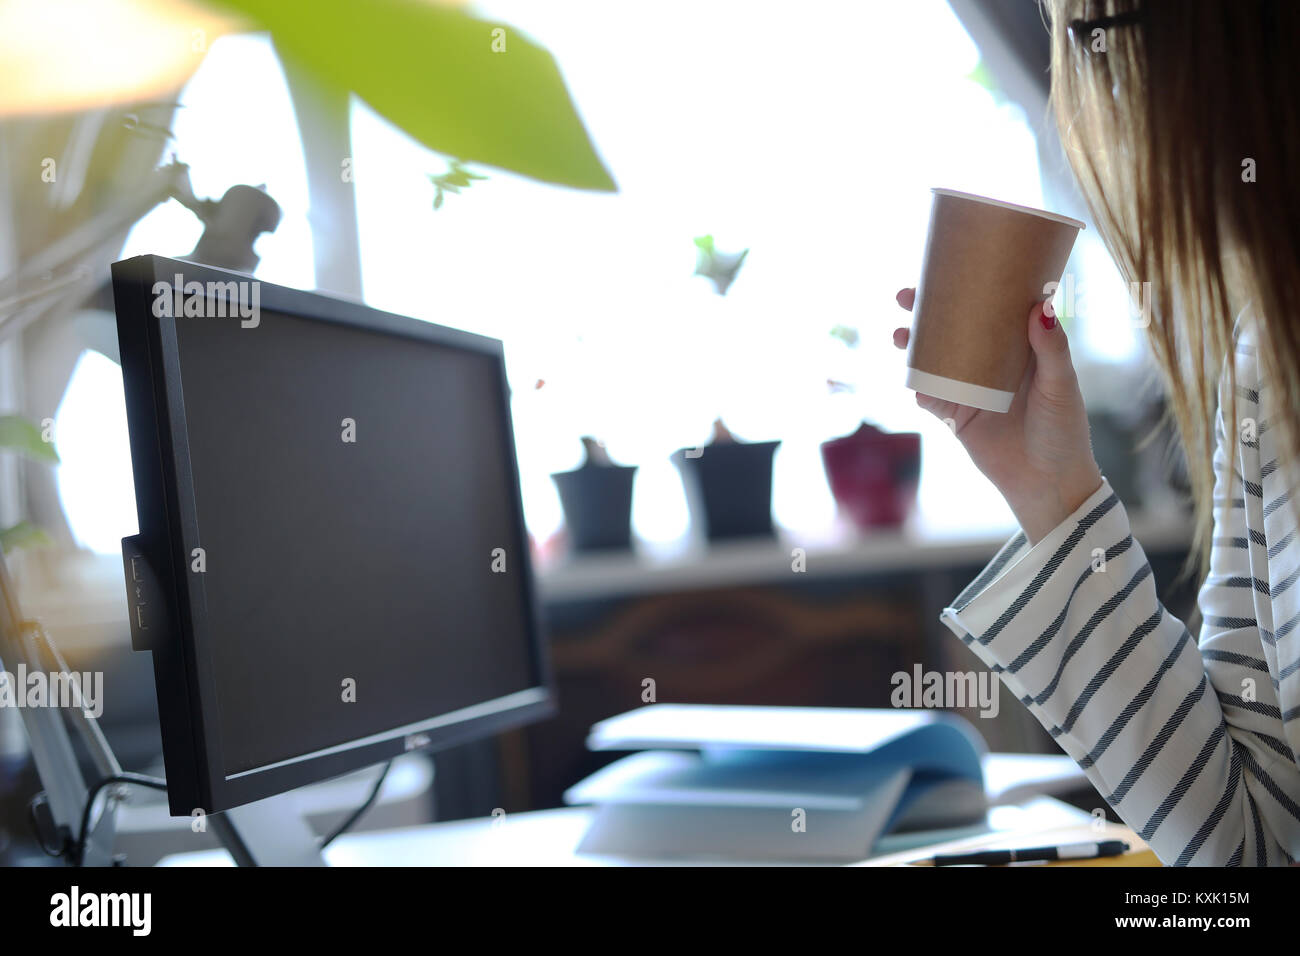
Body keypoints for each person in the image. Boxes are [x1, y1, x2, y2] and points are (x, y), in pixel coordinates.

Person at [894, 0, 1300, 865]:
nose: (1102, 111)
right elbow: (1249, 849)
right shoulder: (1264, 356)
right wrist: (1054, 491)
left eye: (1094, 40)